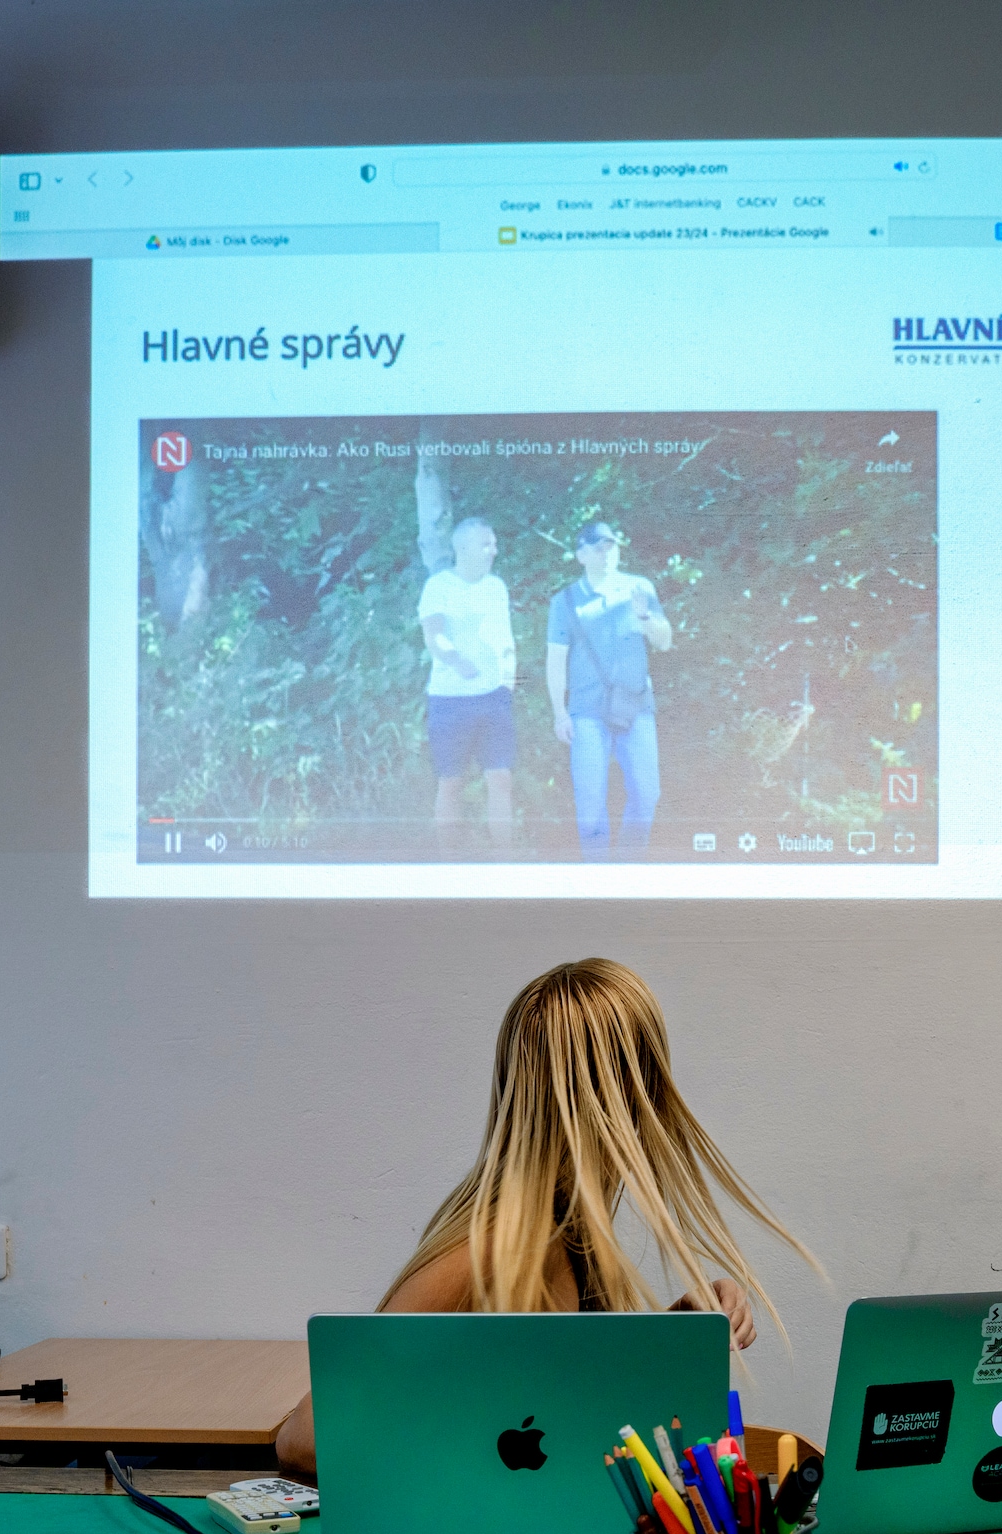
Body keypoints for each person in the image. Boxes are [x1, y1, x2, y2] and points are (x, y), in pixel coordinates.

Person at [272, 958, 813, 1479]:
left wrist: (674, 1331)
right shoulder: (484, 1252)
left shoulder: (571, 1237)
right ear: (628, 1093)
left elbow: (570, 1400)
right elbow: (306, 1441)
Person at [547, 522, 670, 860]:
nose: (607, 553)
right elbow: (555, 661)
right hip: (586, 712)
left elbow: (665, 640)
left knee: (648, 793)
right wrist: (559, 712)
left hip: (636, 707)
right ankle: (598, 880)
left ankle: (627, 871)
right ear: (581, 554)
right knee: (589, 806)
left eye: (612, 546)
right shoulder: (566, 601)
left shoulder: (639, 588)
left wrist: (643, 616)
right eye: (599, 547)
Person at [417, 518, 518, 854]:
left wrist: (508, 682)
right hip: (450, 701)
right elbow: (434, 636)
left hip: (494, 698)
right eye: (485, 544)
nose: (494, 550)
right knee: (451, 782)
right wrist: (458, 662)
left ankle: (506, 864)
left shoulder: (496, 587)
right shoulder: (438, 586)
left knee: (501, 779)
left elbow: (505, 639)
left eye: (494, 543)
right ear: (462, 549)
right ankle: (450, 868)